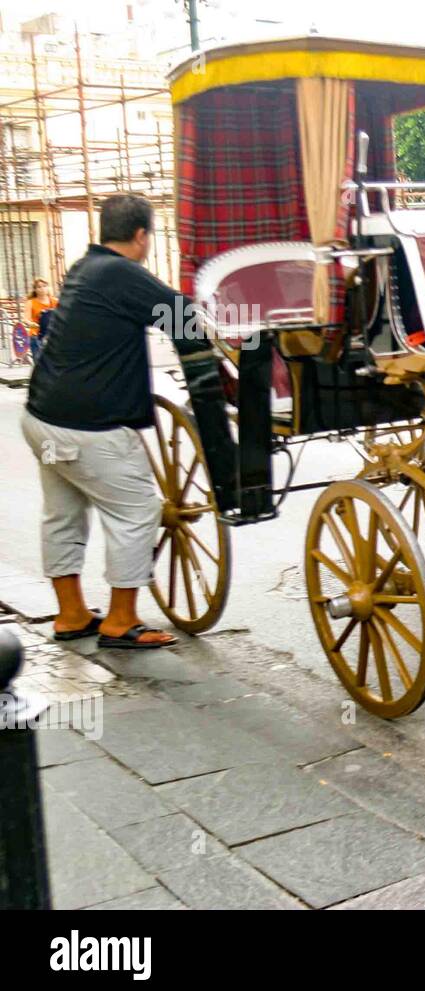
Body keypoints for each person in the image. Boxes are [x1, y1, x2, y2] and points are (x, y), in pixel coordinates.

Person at [21, 193, 185, 650]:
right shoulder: (120, 273)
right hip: (87, 427)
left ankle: (71, 614)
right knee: (137, 511)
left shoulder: (83, 268)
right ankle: (120, 621)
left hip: (42, 419)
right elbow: (184, 317)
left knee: (63, 514)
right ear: (141, 235)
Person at [25, 277, 57, 364]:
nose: (42, 289)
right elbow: (26, 319)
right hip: (36, 335)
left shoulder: (54, 301)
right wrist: (32, 324)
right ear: (35, 289)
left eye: (44, 286)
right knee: (40, 363)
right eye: (39, 287)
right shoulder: (31, 302)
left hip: (51, 335)